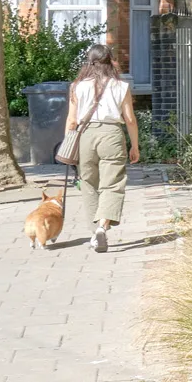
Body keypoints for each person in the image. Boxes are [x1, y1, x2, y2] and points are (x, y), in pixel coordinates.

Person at [63, 44, 138, 252]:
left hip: (85, 135)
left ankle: (94, 232)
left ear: (89, 61)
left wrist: (69, 145)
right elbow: (130, 120)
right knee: (113, 183)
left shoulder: (77, 86)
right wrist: (135, 146)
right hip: (112, 135)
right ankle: (103, 227)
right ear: (110, 61)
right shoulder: (120, 86)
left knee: (88, 183)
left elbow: (71, 120)